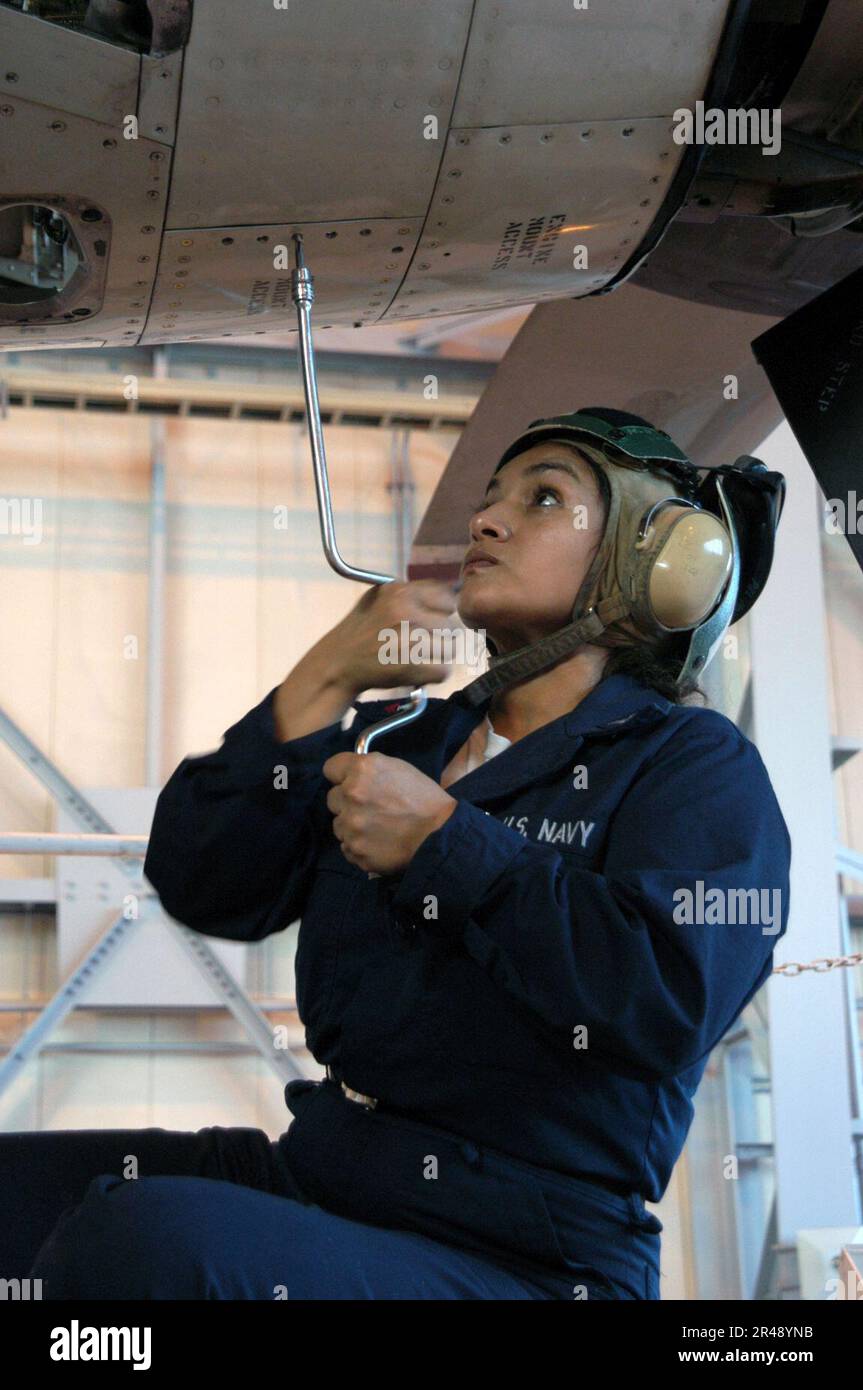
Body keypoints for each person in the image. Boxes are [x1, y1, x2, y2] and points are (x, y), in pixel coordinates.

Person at [0, 409, 791, 1300]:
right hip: (323, 1172)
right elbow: (206, 883)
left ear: (660, 563)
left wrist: (444, 846)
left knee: (143, 1244)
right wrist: (326, 678)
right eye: (490, 498)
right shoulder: (406, 738)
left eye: (542, 499)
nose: (485, 521)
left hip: (528, 1258)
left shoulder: (690, 762)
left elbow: (665, 996)